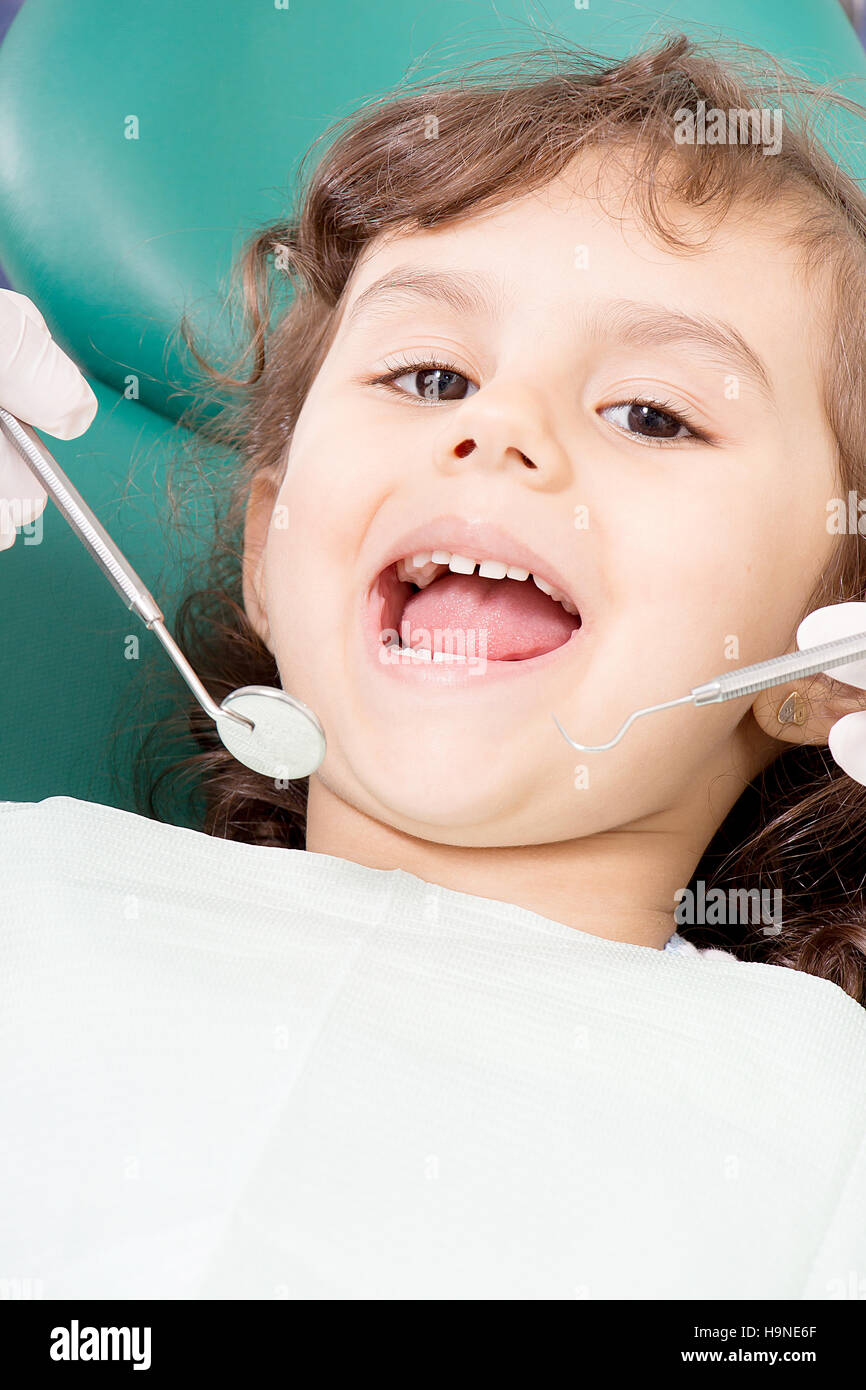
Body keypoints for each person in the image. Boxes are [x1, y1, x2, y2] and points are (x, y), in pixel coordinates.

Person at [2, 33, 866, 1300]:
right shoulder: (31, 883)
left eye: (650, 413)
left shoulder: (823, 1100)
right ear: (265, 546)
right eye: (428, 373)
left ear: (831, 655)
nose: (497, 426)